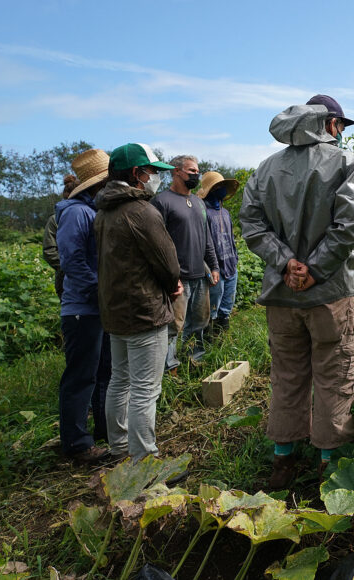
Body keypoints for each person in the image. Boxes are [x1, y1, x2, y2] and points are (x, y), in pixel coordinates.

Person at [240, 94, 354, 488]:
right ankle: (328, 467)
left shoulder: (265, 170)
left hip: (281, 295)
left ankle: (283, 462)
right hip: (330, 294)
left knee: (287, 373)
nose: (341, 134)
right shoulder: (349, 164)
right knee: (336, 372)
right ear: (331, 124)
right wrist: (313, 270)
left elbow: (252, 225)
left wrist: (285, 263)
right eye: (342, 127)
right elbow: (352, 223)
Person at [95, 143, 182, 461]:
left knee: (120, 380)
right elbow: (168, 263)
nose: (155, 177)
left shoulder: (104, 211)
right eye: (152, 172)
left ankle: (119, 448)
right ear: (136, 174)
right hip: (145, 311)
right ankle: (144, 458)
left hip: (115, 311)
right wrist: (172, 285)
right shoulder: (142, 211)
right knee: (145, 388)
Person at [54, 149, 112, 464]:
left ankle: (103, 431)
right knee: (81, 376)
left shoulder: (94, 210)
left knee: (104, 371)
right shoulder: (77, 212)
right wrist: (95, 291)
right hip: (82, 309)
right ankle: (76, 443)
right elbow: (72, 259)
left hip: (97, 307)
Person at [152, 155, 219, 372]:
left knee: (199, 322)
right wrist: (168, 276)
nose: (195, 175)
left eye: (197, 171)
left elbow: (206, 238)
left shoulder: (199, 203)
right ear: (176, 171)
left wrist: (214, 266)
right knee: (173, 326)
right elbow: (157, 242)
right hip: (177, 278)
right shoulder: (162, 201)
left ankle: (194, 361)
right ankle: (168, 368)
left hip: (200, 275)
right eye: (191, 171)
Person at [199, 171, 240, 337]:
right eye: (218, 187)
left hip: (231, 265)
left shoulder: (225, 213)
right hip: (214, 269)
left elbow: (230, 239)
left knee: (226, 307)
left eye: (223, 186)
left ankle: (223, 341)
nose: (221, 189)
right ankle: (209, 345)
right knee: (212, 308)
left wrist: (235, 259)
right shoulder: (204, 213)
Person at [43, 175, 80, 297]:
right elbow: (49, 251)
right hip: (65, 279)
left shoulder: (88, 214)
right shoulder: (54, 220)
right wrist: (70, 267)